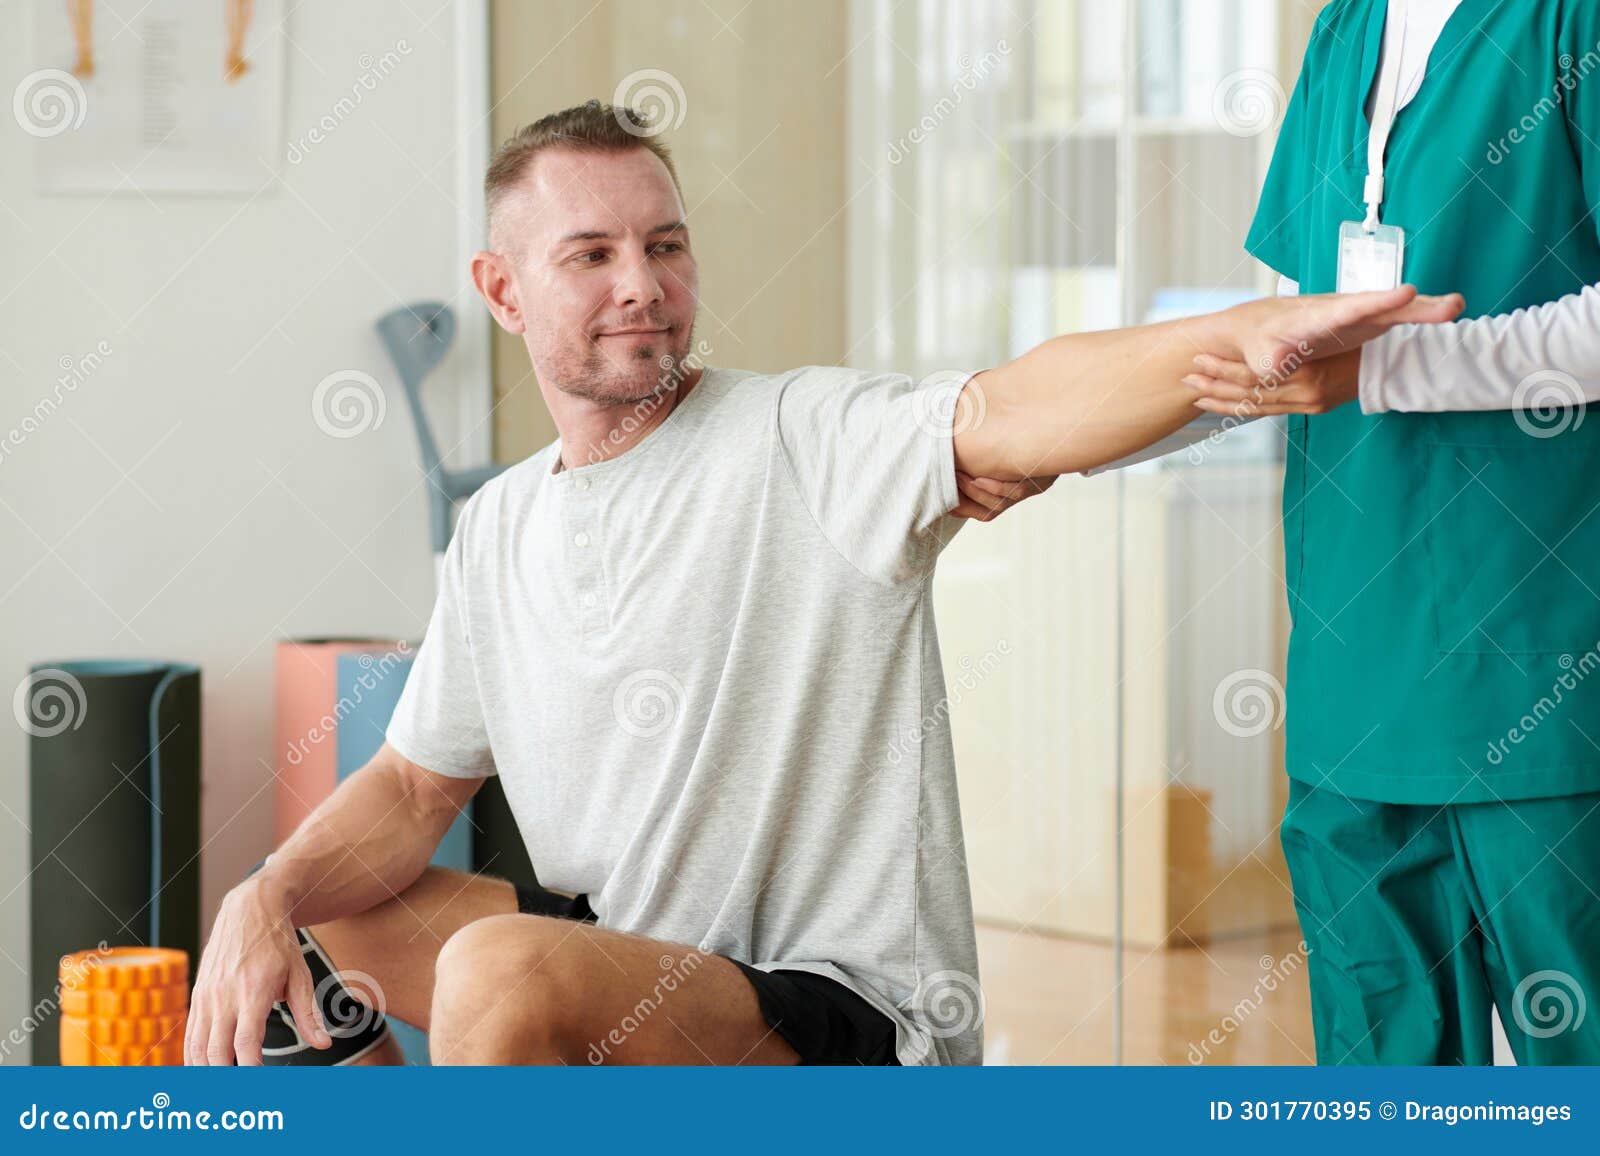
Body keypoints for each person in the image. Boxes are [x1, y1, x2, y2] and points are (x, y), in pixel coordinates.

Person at [185, 100, 1459, 1067]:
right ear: (503, 289)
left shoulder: (799, 440)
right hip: (643, 961)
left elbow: (1013, 406)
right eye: (591, 254)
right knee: (325, 918)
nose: (643, 282)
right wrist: (263, 892)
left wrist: (1227, 345)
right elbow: (413, 784)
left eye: (665, 244)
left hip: (840, 1007)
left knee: (499, 971)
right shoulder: (500, 526)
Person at [1178, 0, 1600, 1065]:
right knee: (1381, 1092)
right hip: (1351, 685)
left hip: (1544, 679)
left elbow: (1348, 359)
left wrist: (1386, 368)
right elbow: (1281, 332)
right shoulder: (1343, 32)